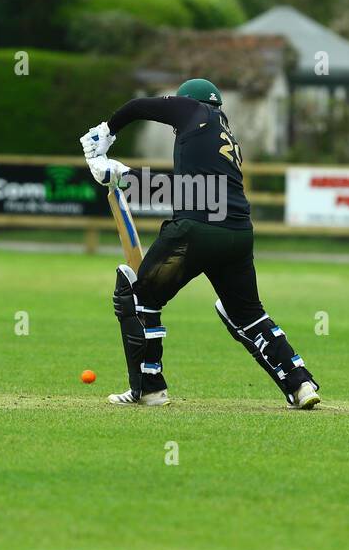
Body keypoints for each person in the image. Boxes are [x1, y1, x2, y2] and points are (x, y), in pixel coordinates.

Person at [79, 78, 322, 409]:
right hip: (237, 236)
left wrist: (104, 134)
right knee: (248, 315)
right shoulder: (222, 137)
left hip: (195, 233)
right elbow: (194, 193)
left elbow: (137, 107)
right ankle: (301, 383)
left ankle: (148, 389)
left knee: (138, 299)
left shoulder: (192, 109)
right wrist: (122, 175)